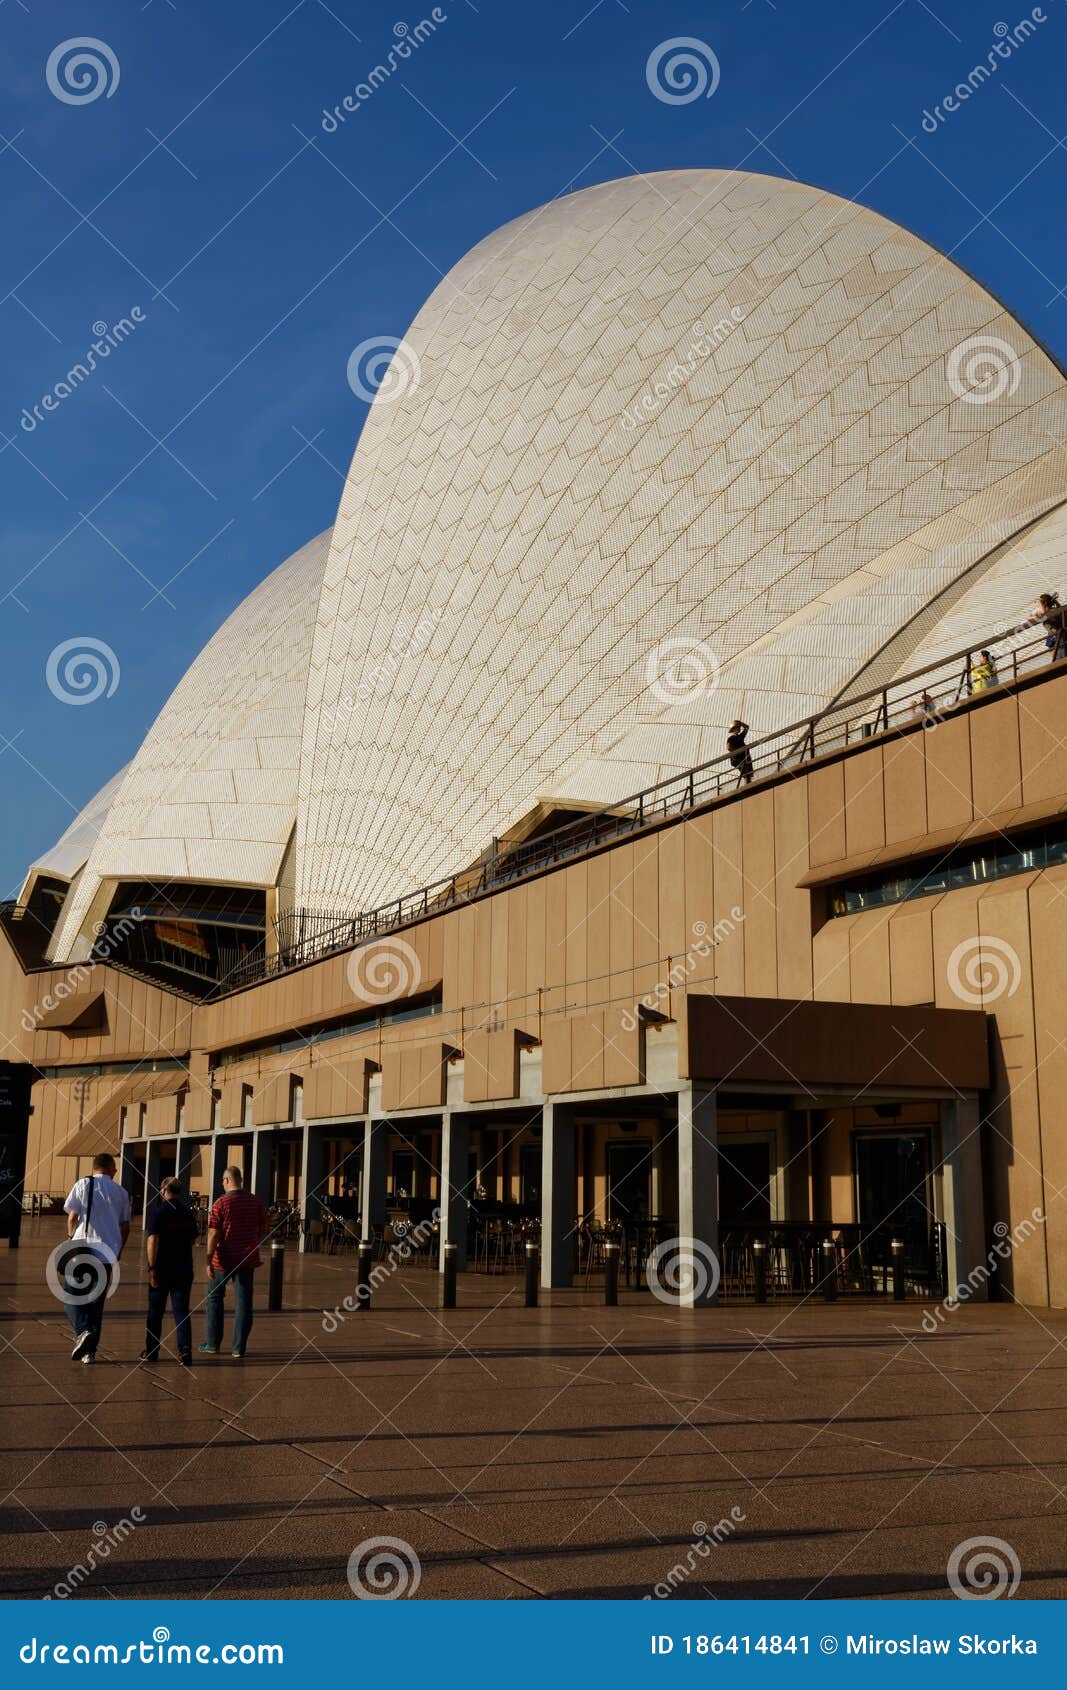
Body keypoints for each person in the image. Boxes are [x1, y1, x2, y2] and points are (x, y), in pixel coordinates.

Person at [62, 1152, 131, 1364]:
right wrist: (119, 1250)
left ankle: (82, 1331)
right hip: (107, 1253)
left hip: (85, 1249)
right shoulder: (121, 1192)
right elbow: (125, 1225)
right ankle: (89, 1352)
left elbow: (72, 1216)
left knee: (71, 1295)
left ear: (94, 1167)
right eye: (115, 1168)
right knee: (96, 1302)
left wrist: (70, 1237)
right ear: (109, 1168)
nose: (116, 1171)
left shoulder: (83, 1185)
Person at [200, 1166, 269, 1359]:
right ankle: (238, 1348)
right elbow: (265, 1225)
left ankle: (212, 1343)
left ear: (227, 1180)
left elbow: (213, 1232)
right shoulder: (255, 1202)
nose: (222, 1183)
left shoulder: (221, 1203)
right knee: (244, 1303)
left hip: (223, 1259)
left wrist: (208, 1257)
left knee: (214, 1299)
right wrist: (254, 1240)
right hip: (247, 1259)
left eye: (222, 1180)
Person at [142, 1176, 197, 1366]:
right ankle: (185, 1350)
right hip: (183, 1268)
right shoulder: (187, 1213)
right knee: (181, 1310)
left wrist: (152, 1267)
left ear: (164, 1190)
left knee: (155, 1311)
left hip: (162, 1268)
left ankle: (152, 1350)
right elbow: (192, 1239)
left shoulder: (158, 1212)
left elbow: (153, 1241)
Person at [1029, 593, 1067, 662]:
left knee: (1060, 657)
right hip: (1052, 637)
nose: (1038, 606)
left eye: (1040, 604)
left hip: (1059, 637)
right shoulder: (1054, 610)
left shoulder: (1052, 612)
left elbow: (1044, 613)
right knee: (1053, 652)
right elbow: (1030, 617)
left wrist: (1040, 604)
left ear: (1044, 604)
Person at [726, 720, 753, 785]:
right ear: (734, 729)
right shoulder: (731, 738)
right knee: (746, 772)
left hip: (744, 757)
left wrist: (740, 723)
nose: (739, 729)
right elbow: (728, 747)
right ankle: (747, 786)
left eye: (739, 727)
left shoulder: (740, 736)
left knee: (748, 773)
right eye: (737, 727)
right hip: (738, 759)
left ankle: (748, 784)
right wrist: (737, 752)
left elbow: (746, 727)